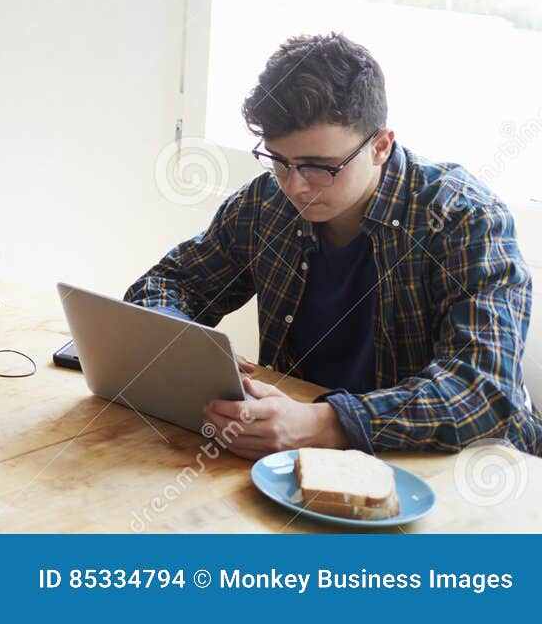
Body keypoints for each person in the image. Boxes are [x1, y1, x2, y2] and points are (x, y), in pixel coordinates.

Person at [127, 32, 538, 456]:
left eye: (320, 167)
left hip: (467, 466)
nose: (295, 186)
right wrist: (195, 351)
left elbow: (484, 391)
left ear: (380, 146)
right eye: (278, 160)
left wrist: (327, 423)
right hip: (304, 458)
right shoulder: (265, 204)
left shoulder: (463, 217)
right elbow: (167, 284)